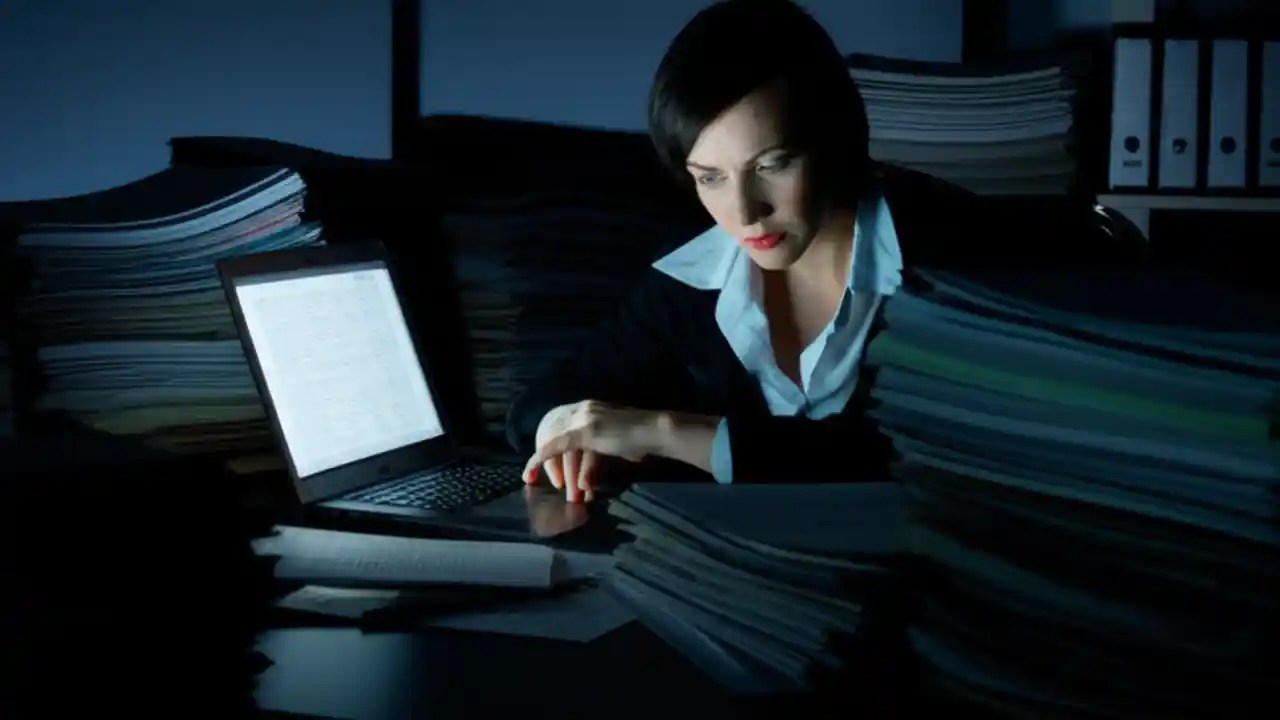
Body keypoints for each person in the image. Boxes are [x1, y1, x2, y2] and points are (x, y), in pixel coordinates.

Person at [506, 0, 1071, 502]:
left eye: (772, 165)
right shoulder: (694, 272)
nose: (745, 212)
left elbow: (915, 461)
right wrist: (571, 431)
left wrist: (665, 432)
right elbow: (543, 400)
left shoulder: (955, 255)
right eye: (710, 178)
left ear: (835, 138)